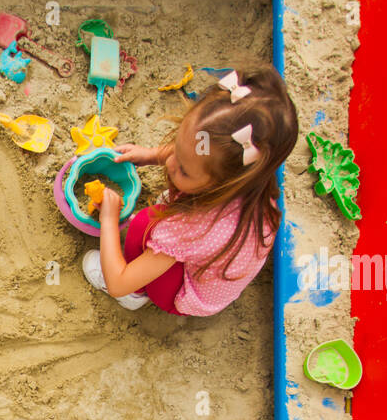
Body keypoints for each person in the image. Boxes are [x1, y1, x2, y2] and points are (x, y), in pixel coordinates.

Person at [82, 66, 299, 316]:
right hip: (213, 266)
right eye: (177, 147)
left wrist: (109, 220)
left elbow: (118, 283)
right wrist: (152, 155)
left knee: (144, 223)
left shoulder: (193, 229)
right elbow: (198, 153)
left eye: (184, 170)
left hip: (187, 295)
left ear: (220, 184)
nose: (170, 163)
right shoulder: (249, 173)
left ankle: (136, 295)